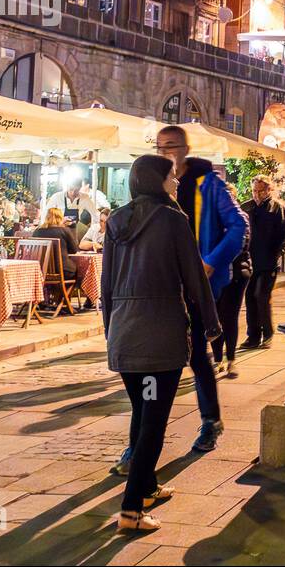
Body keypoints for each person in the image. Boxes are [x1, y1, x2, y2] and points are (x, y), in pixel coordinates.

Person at [101, 155, 222, 533]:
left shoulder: (116, 221)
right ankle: (131, 509)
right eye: (172, 176)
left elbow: (105, 286)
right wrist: (213, 324)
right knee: (153, 423)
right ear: (157, 180)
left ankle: (148, 488)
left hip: (124, 333)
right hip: (159, 336)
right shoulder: (173, 220)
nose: (177, 182)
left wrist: (111, 330)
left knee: (142, 411)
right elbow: (194, 278)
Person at [154, 125, 249, 448]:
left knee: (196, 354)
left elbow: (239, 225)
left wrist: (211, 262)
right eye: (161, 147)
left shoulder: (207, 184)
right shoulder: (155, 186)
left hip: (196, 284)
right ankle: (144, 437)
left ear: (184, 148)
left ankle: (210, 420)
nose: (167, 152)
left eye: (172, 146)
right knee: (157, 363)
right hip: (163, 285)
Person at [239, 176, 285, 350]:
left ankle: (267, 333)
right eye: (254, 191)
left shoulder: (277, 208)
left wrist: (277, 254)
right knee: (250, 297)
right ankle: (252, 335)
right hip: (250, 261)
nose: (257, 194)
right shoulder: (246, 207)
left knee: (262, 296)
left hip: (268, 262)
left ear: (268, 190)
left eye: (261, 190)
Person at [45, 175, 109, 244]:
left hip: (73, 232)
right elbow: (46, 214)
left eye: (76, 190)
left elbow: (96, 214)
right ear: (67, 186)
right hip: (58, 231)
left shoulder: (85, 198)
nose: (73, 193)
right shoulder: (57, 197)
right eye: (71, 189)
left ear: (80, 188)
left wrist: (100, 227)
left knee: (73, 250)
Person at [31, 207, 78, 284]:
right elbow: (74, 250)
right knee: (78, 271)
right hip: (63, 270)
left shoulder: (37, 231)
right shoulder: (64, 231)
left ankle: (57, 294)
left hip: (41, 270)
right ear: (61, 218)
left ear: (47, 217)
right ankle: (63, 295)